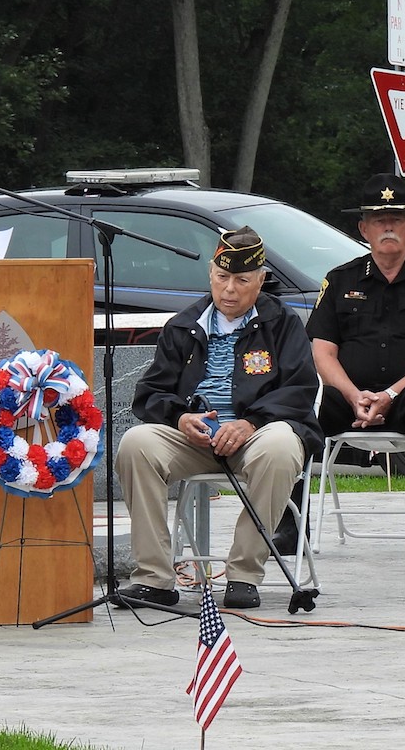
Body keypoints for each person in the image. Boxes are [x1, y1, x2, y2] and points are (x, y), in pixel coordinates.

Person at [114, 227, 318, 611]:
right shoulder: (184, 325)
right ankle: (154, 579)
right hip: (196, 440)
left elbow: (300, 390)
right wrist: (180, 418)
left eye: (242, 280)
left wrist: (250, 423)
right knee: (136, 444)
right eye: (222, 277)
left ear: (260, 282)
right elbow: (150, 393)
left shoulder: (282, 322)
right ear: (210, 273)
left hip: (255, 437)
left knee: (279, 446)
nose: (229, 289)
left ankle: (243, 574)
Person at [307, 173, 405, 560]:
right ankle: (288, 524)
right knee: (298, 409)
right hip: (349, 400)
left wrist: (390, 394)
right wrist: (352, 395)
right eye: (379, 220)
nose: (388, 227)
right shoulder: (339, 280)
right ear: (363, 228)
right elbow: (322, 352)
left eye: (396, 219)